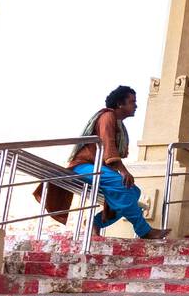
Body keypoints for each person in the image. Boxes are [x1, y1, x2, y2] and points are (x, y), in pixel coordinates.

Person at [67, 86, 169, 241]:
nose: (135, 105)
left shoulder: (118, 122)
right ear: (120, 104)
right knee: (124, 187)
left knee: (134, 192)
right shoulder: (108, 116)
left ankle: (95, 223)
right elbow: (108, 145)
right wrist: (123, 171)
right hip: (83, 166)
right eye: (132, 102)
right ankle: (145, 231)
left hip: (97, 167)